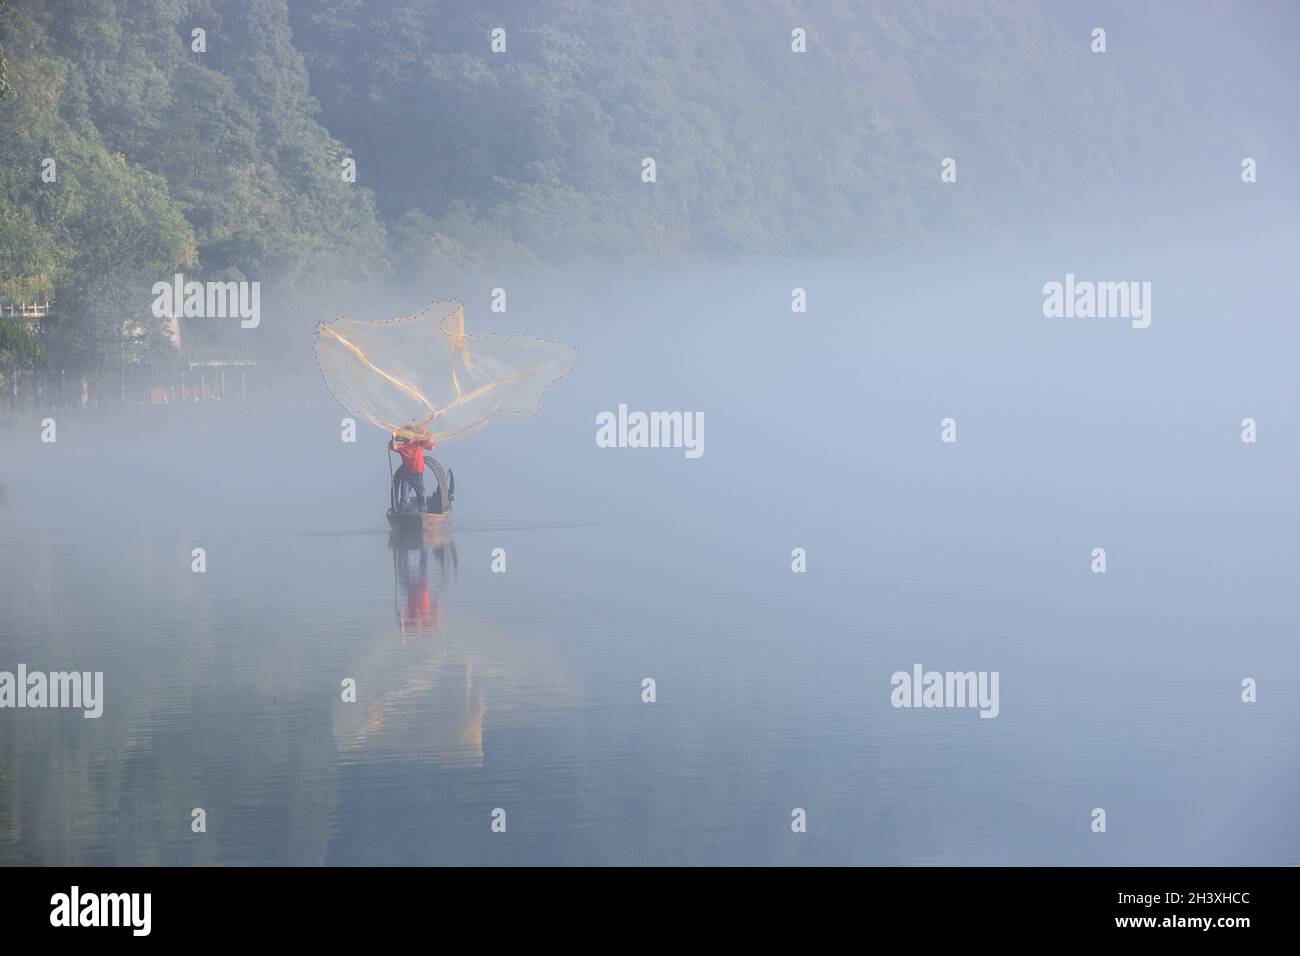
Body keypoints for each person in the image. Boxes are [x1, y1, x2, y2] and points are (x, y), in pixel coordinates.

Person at [390, 426, 435, 512]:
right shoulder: (402, 447)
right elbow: (393, 447)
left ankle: (423, 514)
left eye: (411, 435)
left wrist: (424, 431)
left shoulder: (418, 443)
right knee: (404, 498)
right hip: (407, 477)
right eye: (408, 435)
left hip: (418, 477)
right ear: (405, 438)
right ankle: (401, 515)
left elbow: (427, 439)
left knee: (422, 498)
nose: (410, 437)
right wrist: (393, 438)